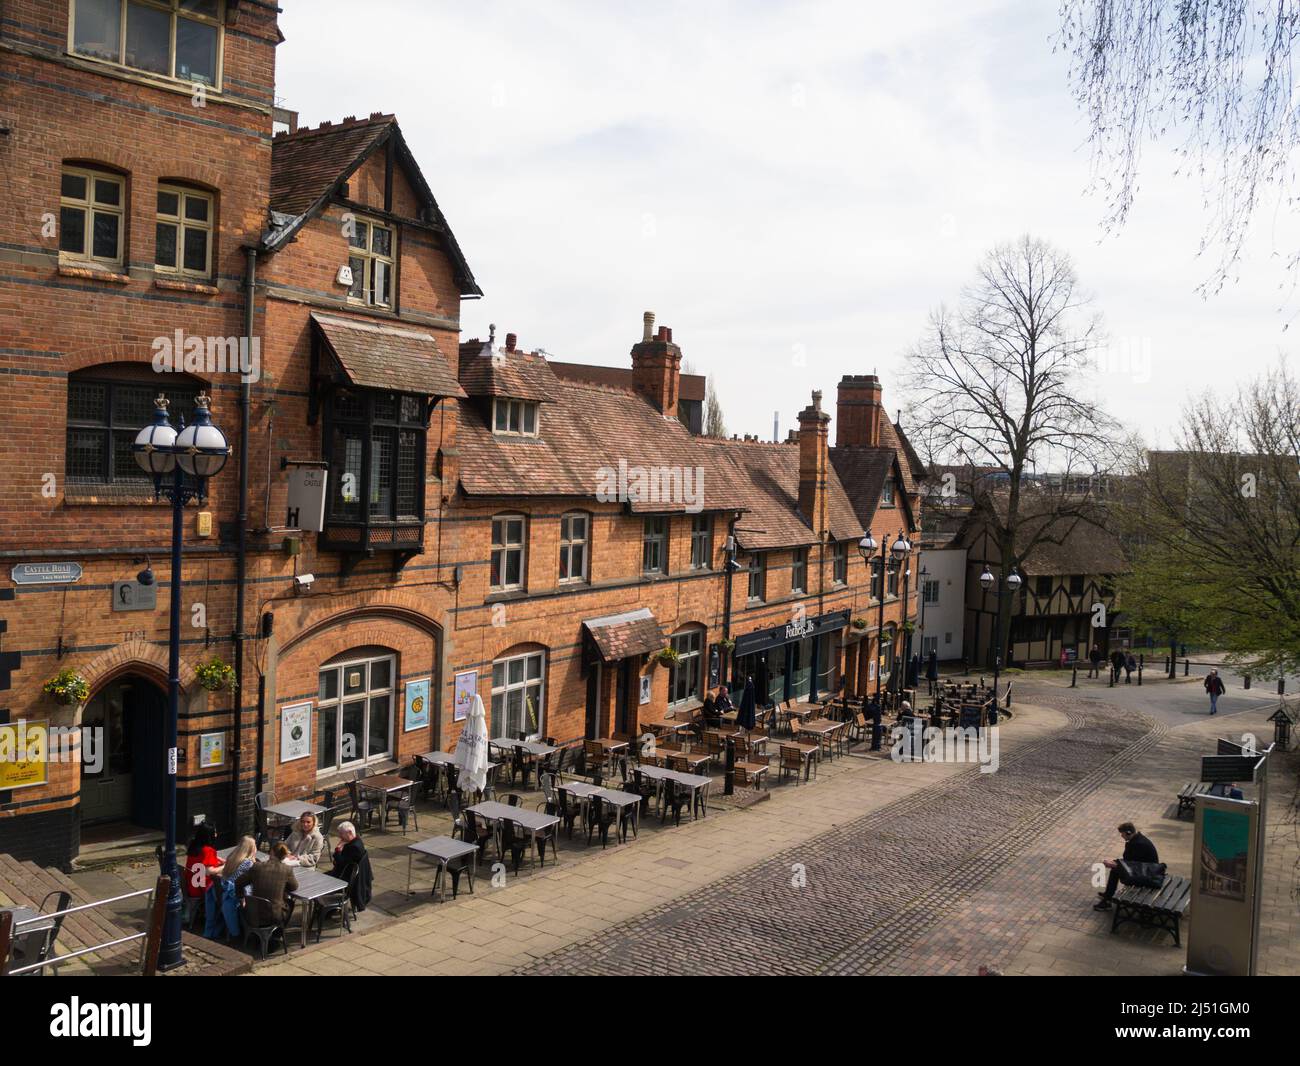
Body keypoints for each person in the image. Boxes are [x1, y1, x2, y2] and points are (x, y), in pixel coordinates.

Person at [1093, 822, 1159, 910]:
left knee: (1115, 871)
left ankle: (1107, 900)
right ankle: (1108, 896)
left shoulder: (1137, 844)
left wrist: (1114, 864)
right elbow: (1130, 861)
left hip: (1147, 876)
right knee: (1115, 868)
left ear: (1128, 833)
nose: (1121, 836)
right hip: (1146, 870)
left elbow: (1129, 864)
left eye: (1122, 834)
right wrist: (1115, 862)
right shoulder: (1137, 839)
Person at [235, 842, 299, 931]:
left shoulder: (257, 866)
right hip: (274, 916)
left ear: (271, 852)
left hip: (253, 913)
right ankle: (278, 933)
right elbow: (294, 887)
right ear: (284, 857)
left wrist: (241, 898)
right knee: (290, 902)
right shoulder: (287, 869)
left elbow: (238, 882)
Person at [205, 835, 256, 939]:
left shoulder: (232, 857)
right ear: (251, 848)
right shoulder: (248, 863)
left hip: (221, 894)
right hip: (236, 896)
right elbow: (248, 884)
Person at [326, 821, 374, 913]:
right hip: (346, 873)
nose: (340, 836)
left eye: (341, 834)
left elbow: (340, 863)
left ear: (350, 833)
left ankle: (328, 909)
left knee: (323, 881)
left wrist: (338, 850)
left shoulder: (354, 847)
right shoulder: (357, 841)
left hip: (346, 878)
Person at [183, 822, 224, 900]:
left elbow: (201, 863)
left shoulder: (193, 846)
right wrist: (224, 866)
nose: (216, 834)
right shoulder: (209, 850)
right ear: (209, 835)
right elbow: (209, 871)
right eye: (214, 832)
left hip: (191, 887)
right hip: (203, 890)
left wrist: (217, 860)